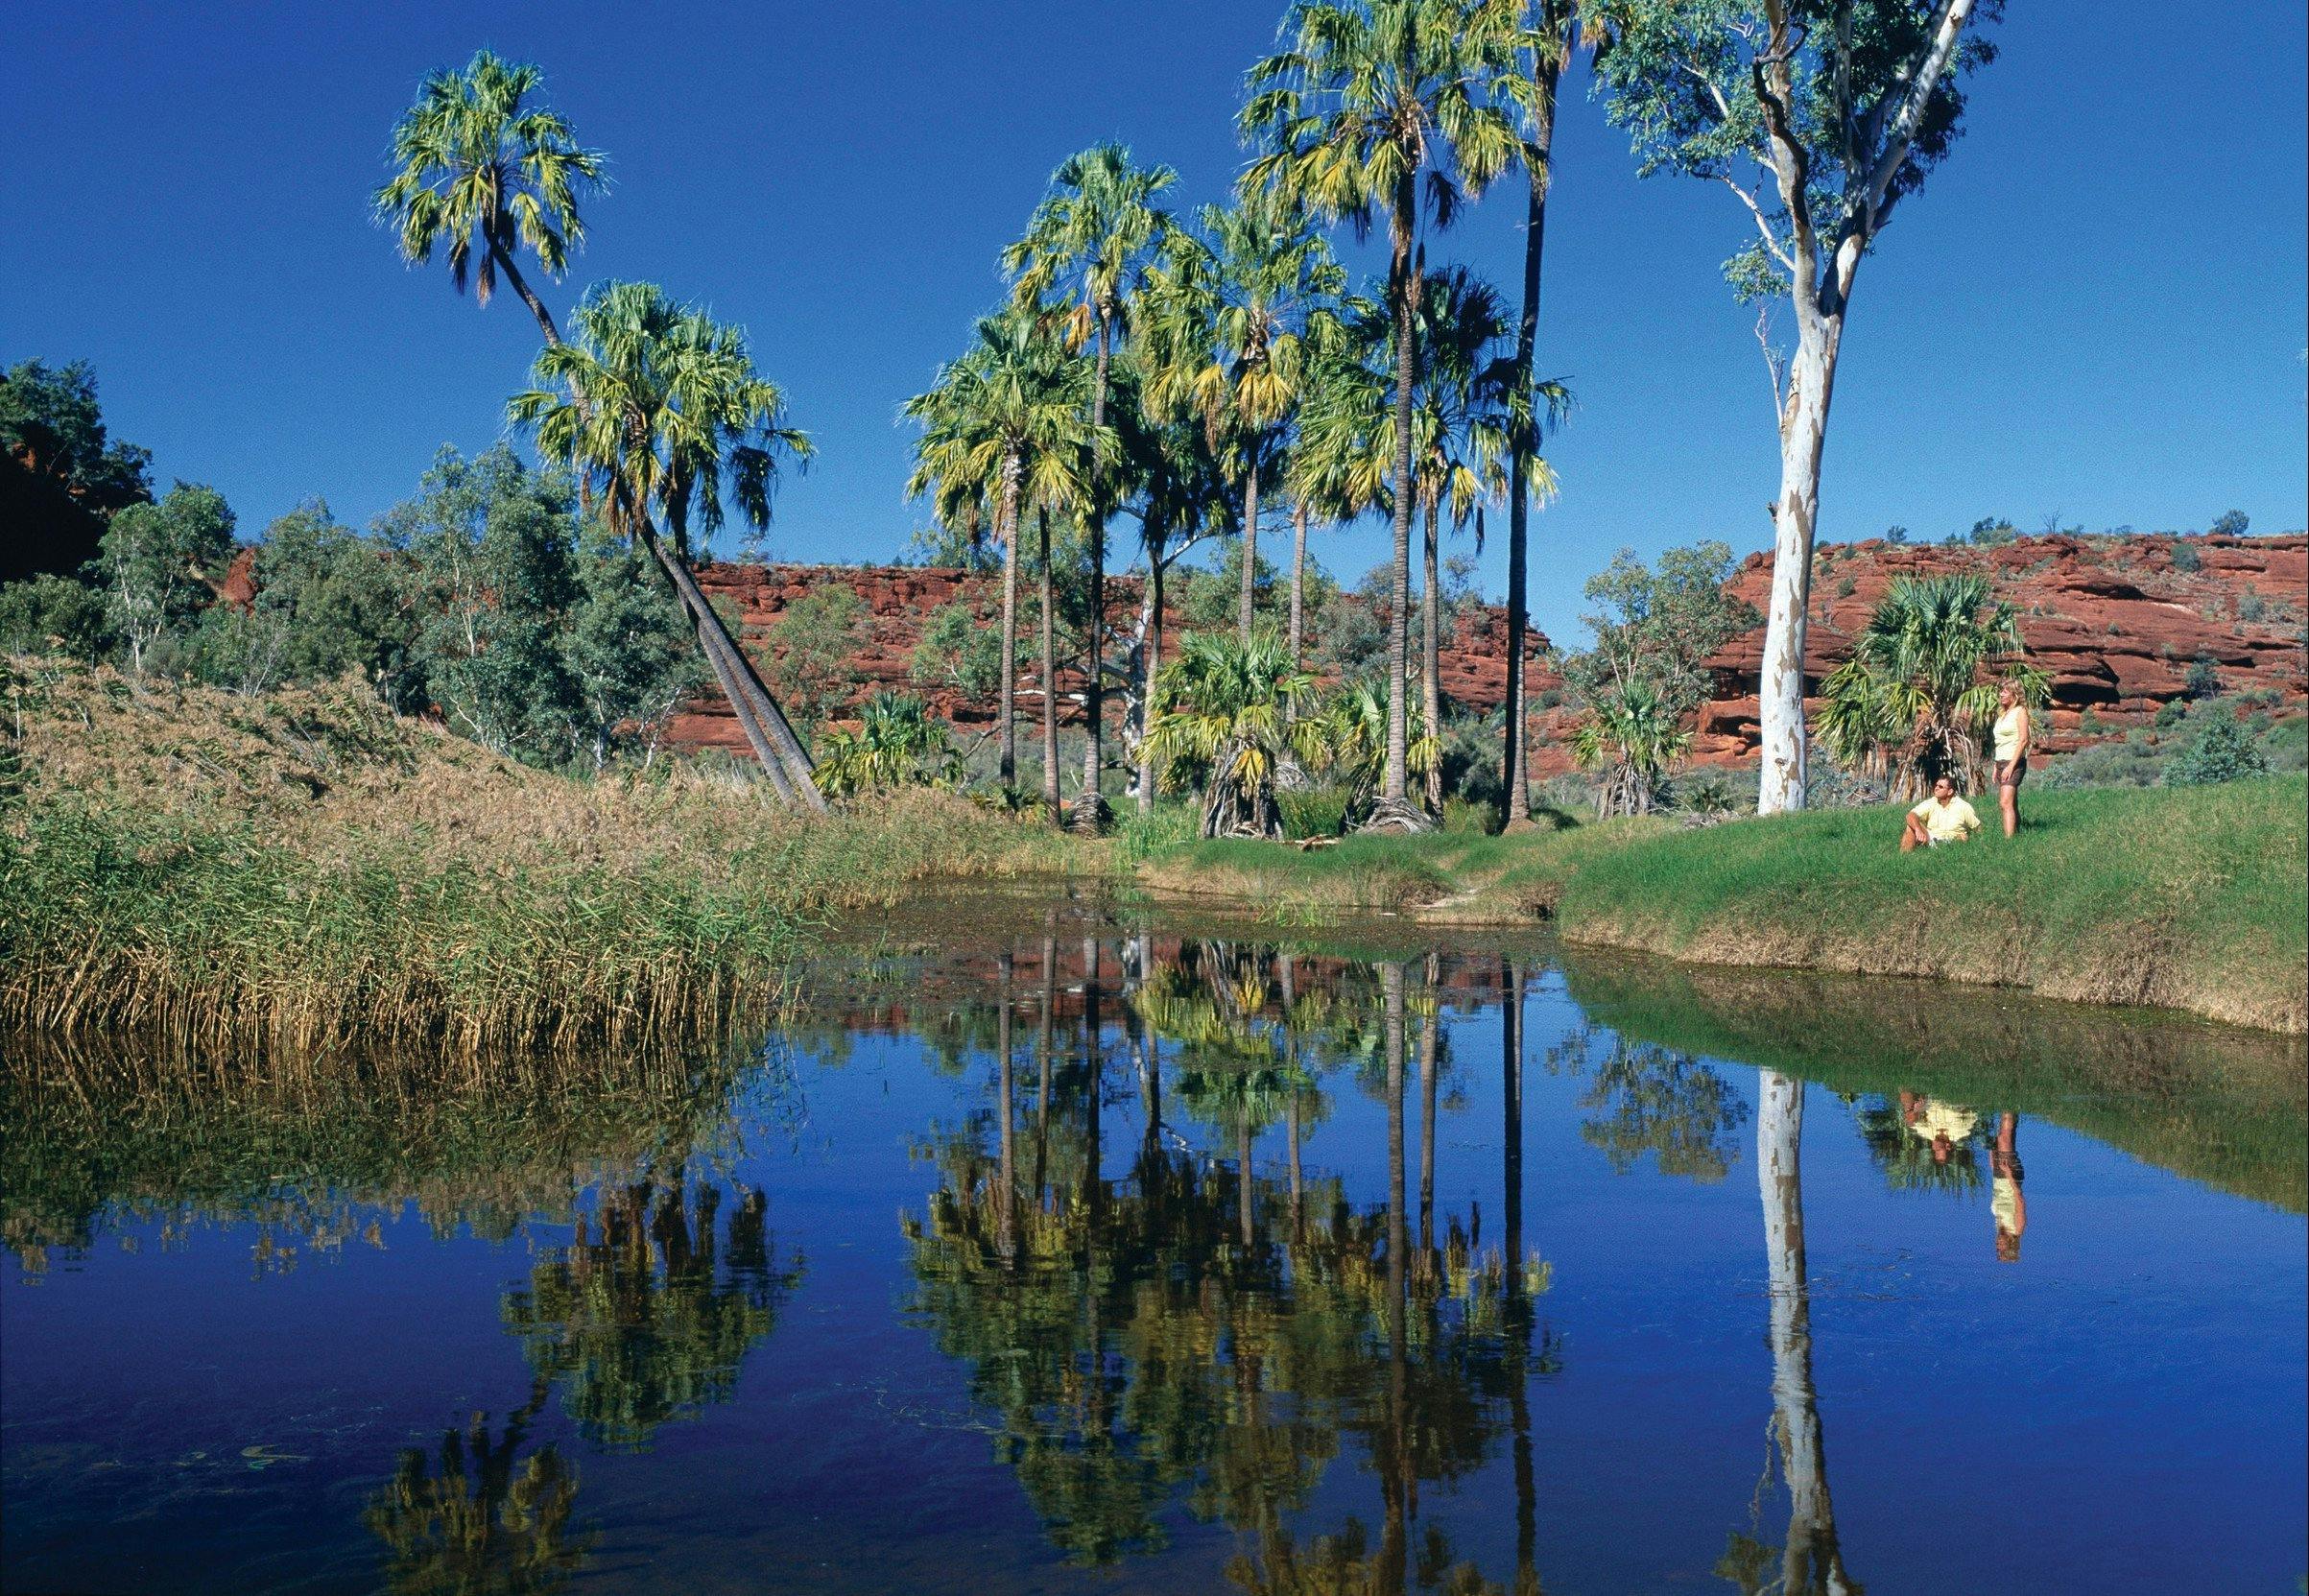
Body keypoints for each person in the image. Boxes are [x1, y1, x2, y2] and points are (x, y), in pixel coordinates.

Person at [1990, 681, 2032, 838]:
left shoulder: (2020, 711)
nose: (2001, 694)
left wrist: (2010, 766)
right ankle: (2018, 832)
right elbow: (1999, 742)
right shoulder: (2002, 714)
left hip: (2014, 762)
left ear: (2015, 694)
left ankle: (2009, 841)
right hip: (2001, 761)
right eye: (2001, 691)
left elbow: (2023, 740)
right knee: (2011, 802)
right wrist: (1996, 765)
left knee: (2005, 802)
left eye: (2005, 692)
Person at [1900, 774, 1983, 851]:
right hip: (1932, 839)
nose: (1936, 788)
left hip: (1953, 842)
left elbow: (1978, 828)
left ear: (1950, 791)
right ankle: (1904, 857)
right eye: (1936, 785)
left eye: (1940, 787)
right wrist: (1918, 829)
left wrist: (1975, 842)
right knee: (1911, 826)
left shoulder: (1963, 806)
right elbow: (1910, 815)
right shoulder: (1932, 802)